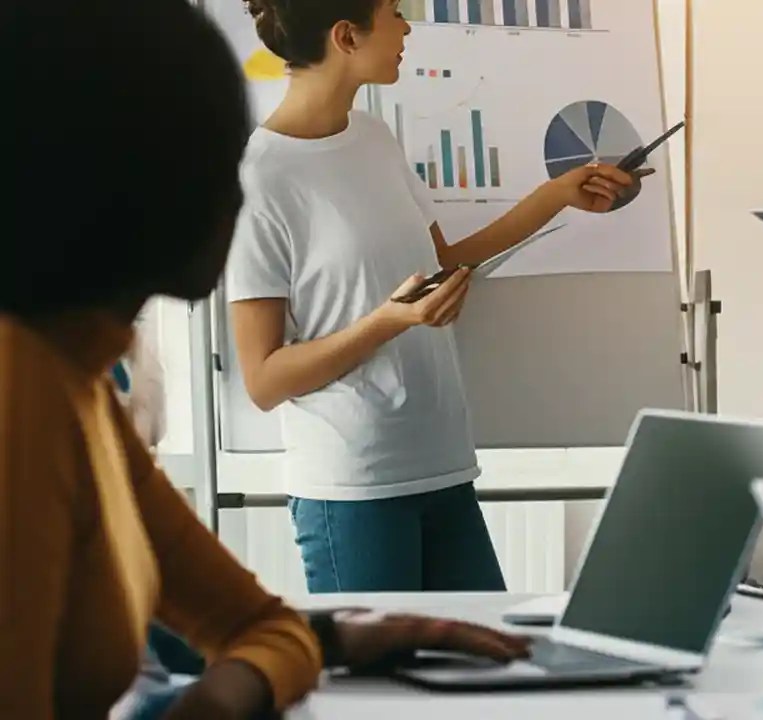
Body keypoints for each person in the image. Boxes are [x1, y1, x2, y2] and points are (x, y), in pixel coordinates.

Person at [3, 2, 533, 717]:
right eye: (214, 160)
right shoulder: (21, 394)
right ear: (119, 183)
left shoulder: (83, 394)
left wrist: (314, 647)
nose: (235, 192)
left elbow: (258, 626)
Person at [226, 0, 641, 594]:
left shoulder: (373, 138)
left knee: (481, 677)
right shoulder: (261, 178)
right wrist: (388, 323)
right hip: (355, 490)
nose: (407, 28)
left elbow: (441, 264)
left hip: (440, 467)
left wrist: (556, 196)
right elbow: (264, 379)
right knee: (381, 689)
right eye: (395, 12)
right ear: (347, 36)